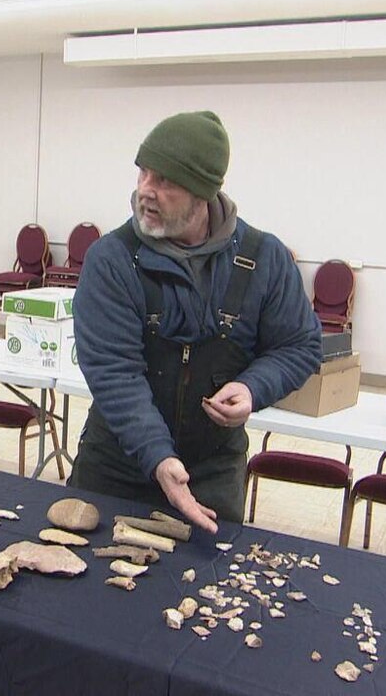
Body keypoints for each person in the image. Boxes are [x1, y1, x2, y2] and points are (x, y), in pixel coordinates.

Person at [70, 111, 321, 535]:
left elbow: (299, 345)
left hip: (211, 476)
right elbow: (114, 372)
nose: (145, 191)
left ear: (203, 192)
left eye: (165, 181)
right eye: (143, 173)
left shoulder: (265, 259)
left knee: (206, 575)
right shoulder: (112, 260)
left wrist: (252, 387)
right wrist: (158, 456)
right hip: (116, 469)